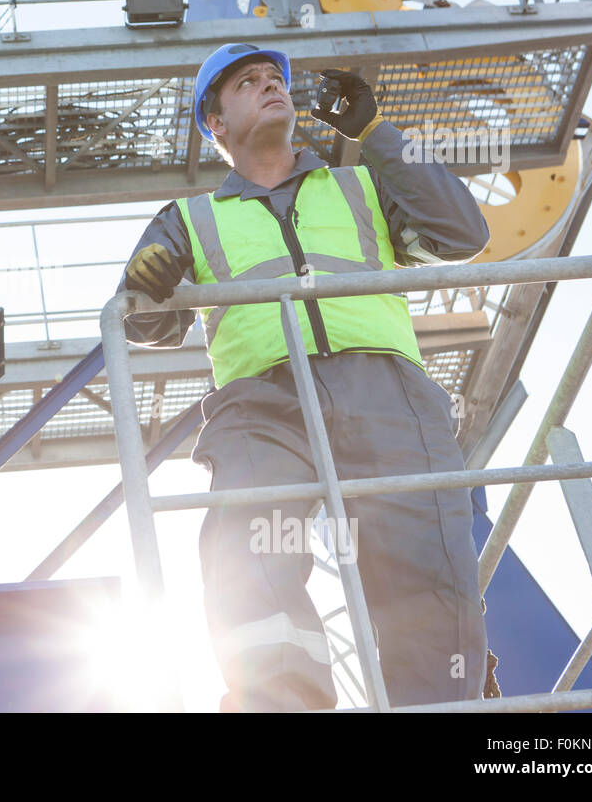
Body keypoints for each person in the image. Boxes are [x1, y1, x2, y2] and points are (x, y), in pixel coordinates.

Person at [119, 42, 489, 710]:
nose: (270, 85)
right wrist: (142, 284)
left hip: (391, 398)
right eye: (246, 82)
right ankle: (282, 702)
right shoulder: (190, 220)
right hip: (262, 406)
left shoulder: (363, 187)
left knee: (426, 565)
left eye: (275, 78)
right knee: (247, 546)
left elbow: (461, 233)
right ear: (216, 125)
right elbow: (147, 323)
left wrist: (376, 133)